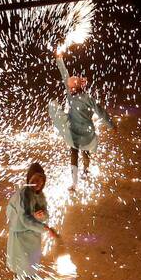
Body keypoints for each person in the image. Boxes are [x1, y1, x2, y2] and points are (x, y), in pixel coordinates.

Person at [52, 51, 115, 186]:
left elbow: (101, 112)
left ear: (75, 87)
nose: (69, 88)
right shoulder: (83, 97)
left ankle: (81, 176)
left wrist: (111, 125)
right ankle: (81, 176)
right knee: (81, 153)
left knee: (77, 153)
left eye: (71, 87)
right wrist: (59, 59)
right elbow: (65, 75)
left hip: (76, 132)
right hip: (83, 132)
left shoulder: (82, 98)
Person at [6, 162, 59, 278]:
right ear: (29, 179)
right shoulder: (23, 195)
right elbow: (24, 219)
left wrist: (42, 216)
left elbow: (45, 214)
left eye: (41, 181)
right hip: (20, 236)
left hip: (33, 236)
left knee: (31, 265)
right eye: (35, 179)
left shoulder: (40, 195)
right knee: (22, 264)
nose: (38, 184)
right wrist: (44, 228)